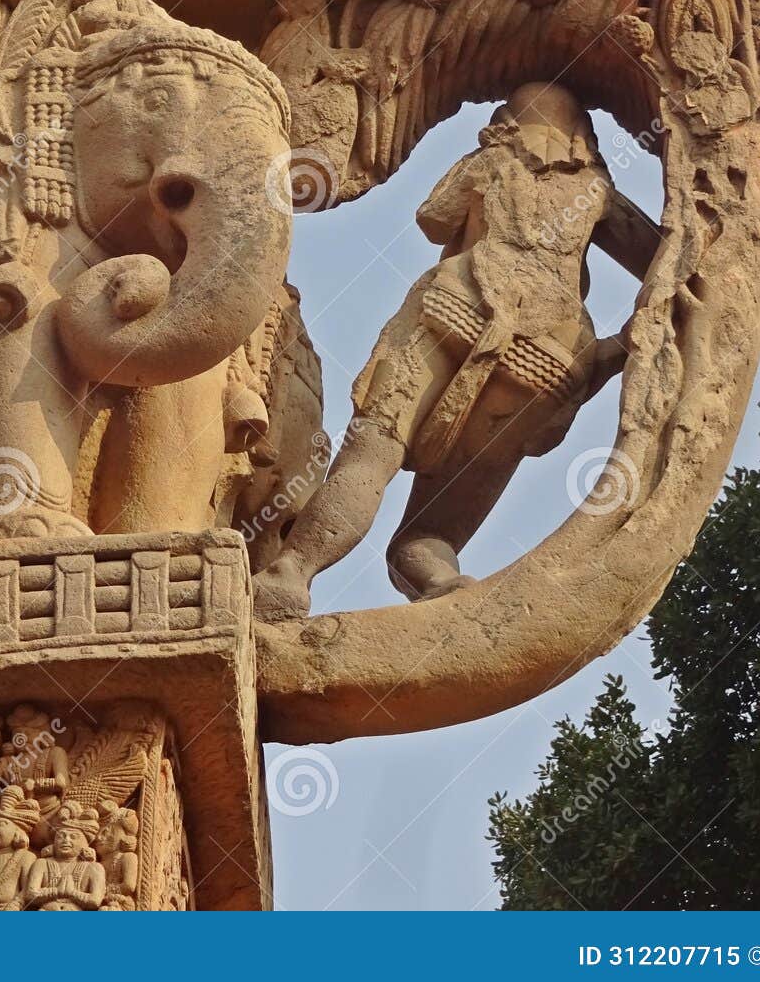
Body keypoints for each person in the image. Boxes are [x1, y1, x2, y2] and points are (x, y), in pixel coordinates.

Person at [256, 83, 659, 618]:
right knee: (431, 528)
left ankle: (291, 574)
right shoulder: (597, 191)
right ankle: (435, 577)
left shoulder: (489, 162)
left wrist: (487, 157)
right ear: (583, 137)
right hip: (551, 355)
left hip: (457, 304)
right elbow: (660, 256)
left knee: (372, 455)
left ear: (507, 123)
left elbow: (434, 218)